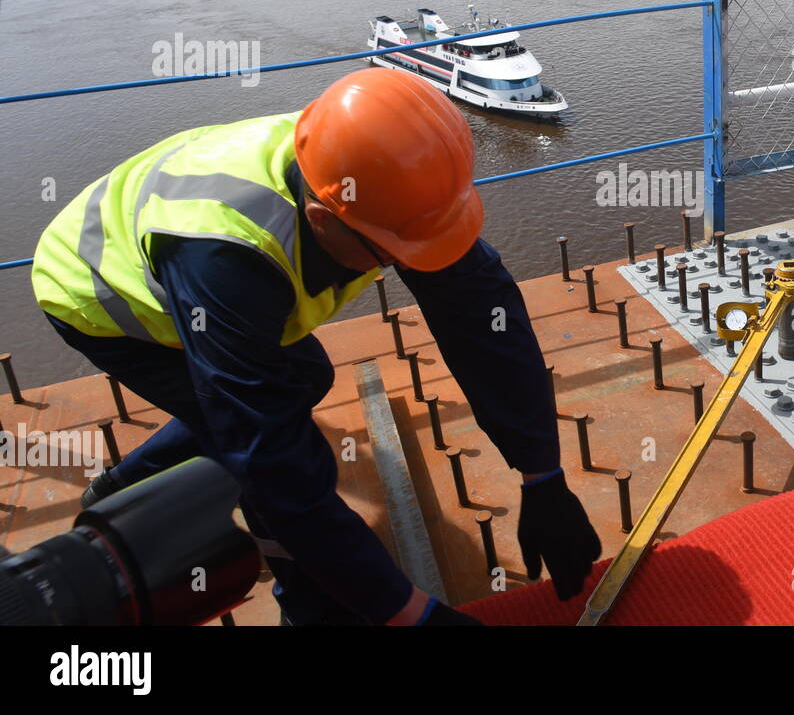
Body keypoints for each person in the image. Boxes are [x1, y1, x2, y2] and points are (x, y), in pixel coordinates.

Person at [31, 67, 601, 625]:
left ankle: (121, 481)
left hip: (200, 264)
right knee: (276, 446)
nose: (405, 264)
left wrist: (541, 473)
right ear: (321, 220)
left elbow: (482, 314)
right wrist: (407, 613)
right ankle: (309, 605)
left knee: (305, 377)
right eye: (390, 253)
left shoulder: (376, 177)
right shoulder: (227, 260)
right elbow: (270, 457)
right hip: (101, 298)